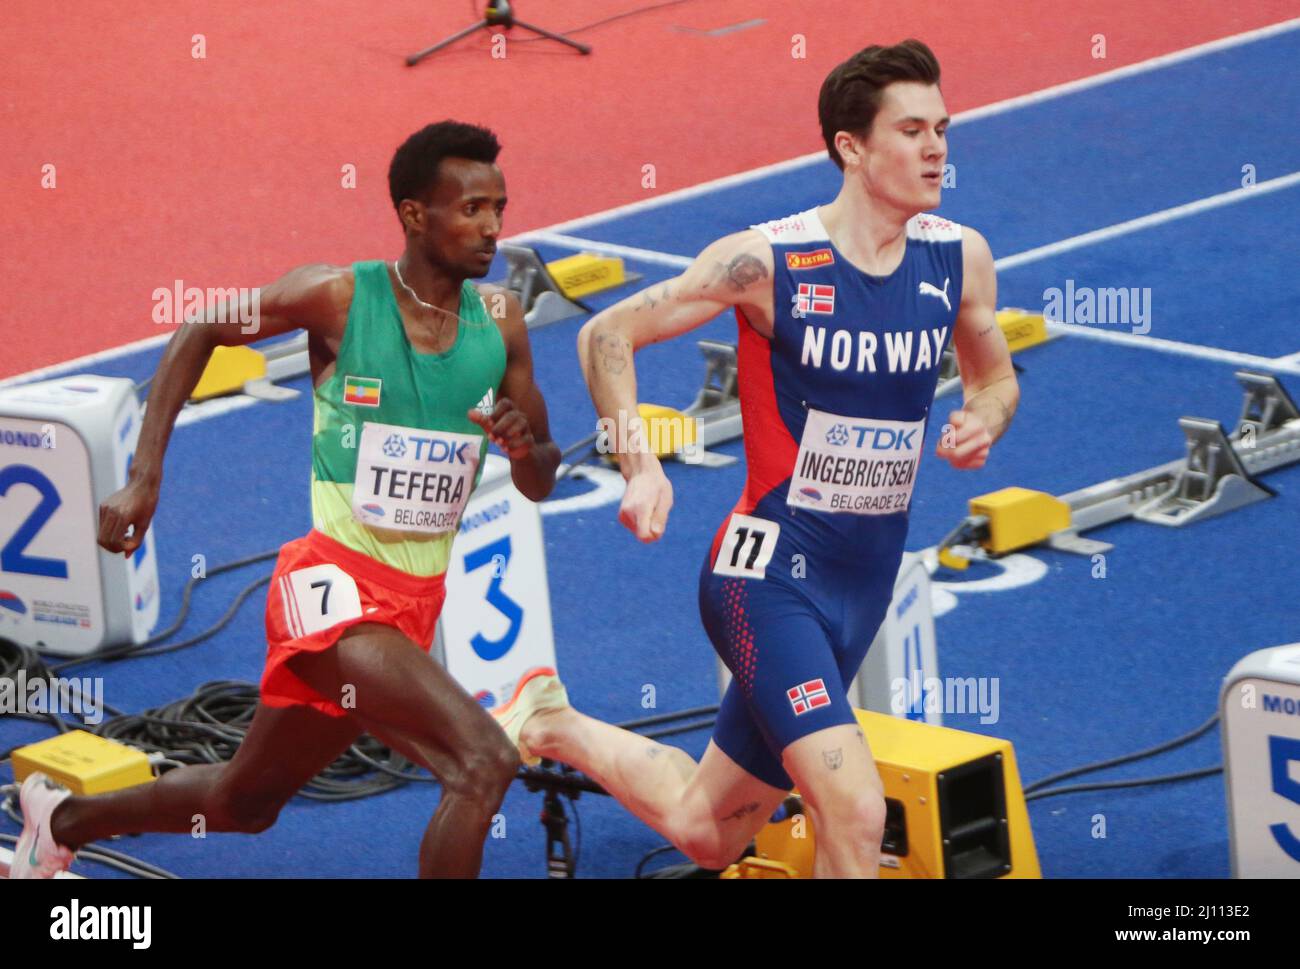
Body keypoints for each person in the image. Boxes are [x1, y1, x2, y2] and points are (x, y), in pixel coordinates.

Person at [492, 40, 1019, 878]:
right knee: (853, 809)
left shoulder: (960, 258)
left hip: (863, 585)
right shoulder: (769, 261)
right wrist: (640, 465)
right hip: (767, 576)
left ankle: (548, 723)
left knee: (711, 830)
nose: (936, 151)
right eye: (912, 130)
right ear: (850, 146)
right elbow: (606, 334)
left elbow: (995, 377)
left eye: (943, 130)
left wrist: (981, 418)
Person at [13, 120, 560, 879]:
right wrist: (145, 476)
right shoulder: (338, 296)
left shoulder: (500, 326)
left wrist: (526, 446)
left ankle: (59, 817)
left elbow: (540, 480)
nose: (492, 227)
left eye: (499, 207)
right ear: (413, 214)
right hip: (329, 587)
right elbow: (202, 325)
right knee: (483, 762)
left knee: (247, 801)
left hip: (413, 604)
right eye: (470, 209)